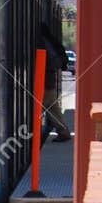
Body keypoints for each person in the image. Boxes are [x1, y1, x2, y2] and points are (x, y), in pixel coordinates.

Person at [37, 14, 72, 142]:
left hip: (44, 81)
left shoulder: (42, 42)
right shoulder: (49, 41)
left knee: (39, 109)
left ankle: (32, 136)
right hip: (49, 80)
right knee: (53, 108)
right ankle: (63, 132)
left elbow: (50, 61)